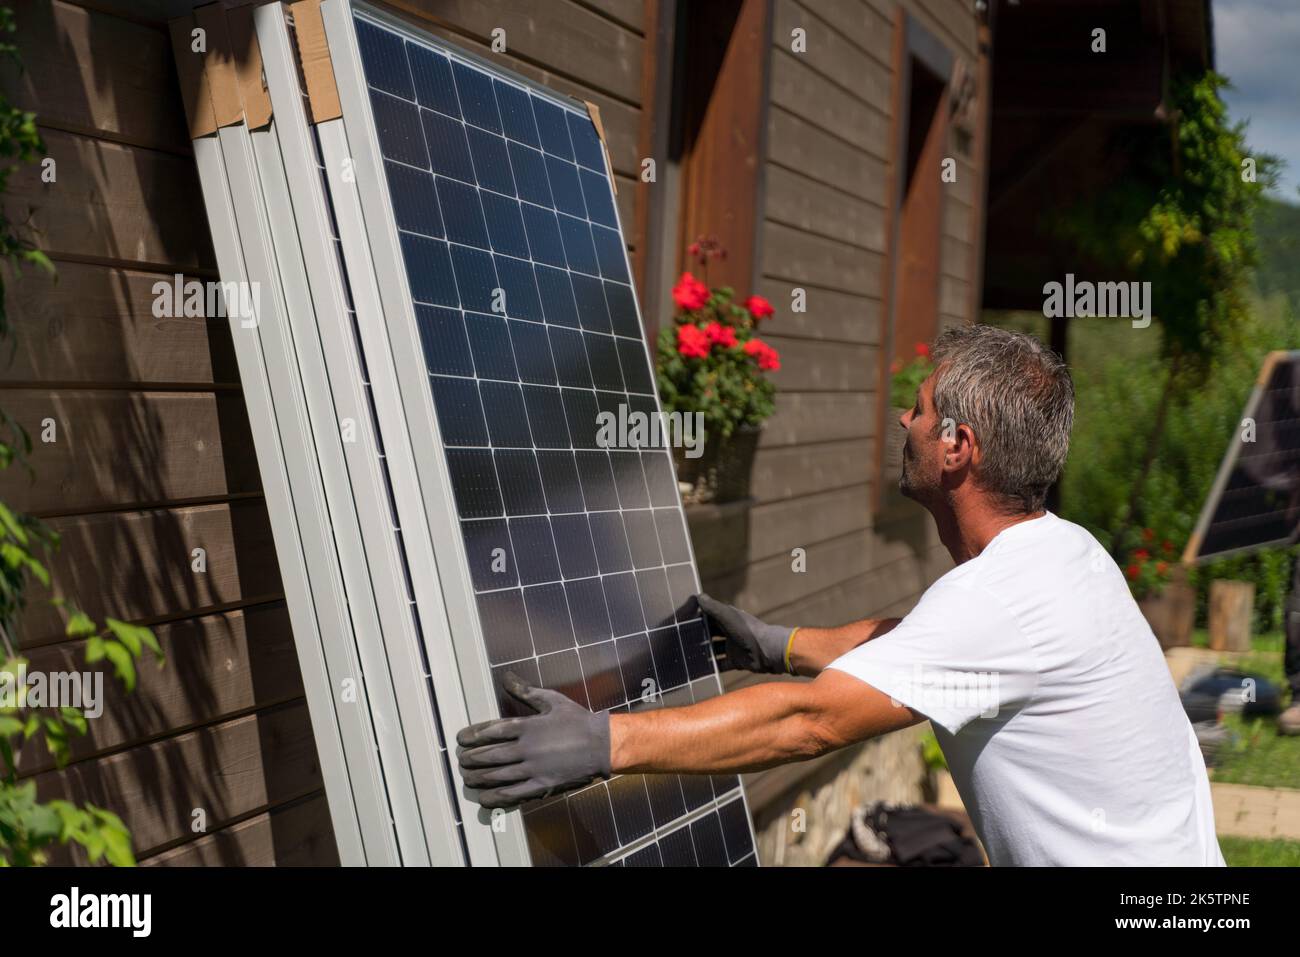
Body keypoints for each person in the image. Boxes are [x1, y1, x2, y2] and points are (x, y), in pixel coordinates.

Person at [456, 325, 1224, 866]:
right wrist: (780, 643)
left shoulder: (1003, 598)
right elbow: (922, 645)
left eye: (920, 409)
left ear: (957, 447)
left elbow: (811, 721)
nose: (904, 418)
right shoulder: (1066, 554)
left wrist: (605, 742)